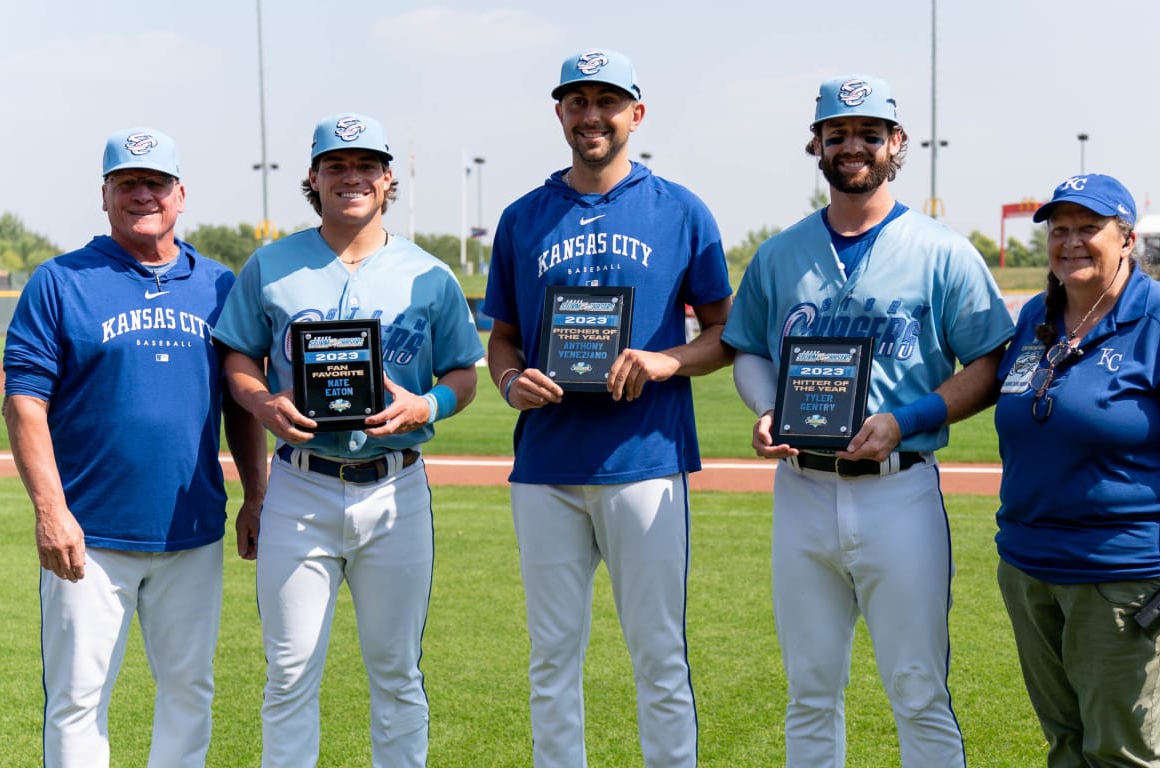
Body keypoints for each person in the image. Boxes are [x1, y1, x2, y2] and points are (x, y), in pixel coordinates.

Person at [721, 75, 1013, 767]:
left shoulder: (942, 250)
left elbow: (990, 363)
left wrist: (907, 417)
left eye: (870, 135)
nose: (854, 146)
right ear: (815, 144)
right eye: (838, 134)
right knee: (810, 691)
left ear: (897, 145)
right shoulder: (780, 252)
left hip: (898, 487)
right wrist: (765, 407)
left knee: (916, 688)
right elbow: (750, 351)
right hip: (802, 489)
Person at [482, 48, 734, 768]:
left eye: (608, 102)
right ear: (559, 112)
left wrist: (667, 360)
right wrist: (509, 383)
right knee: (551, 658)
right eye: (578, 101)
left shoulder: (680, 209)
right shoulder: (522, 216)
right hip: (547, 466)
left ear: (636, 114)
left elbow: (725, 332)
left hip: (644, 459)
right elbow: (502, 340)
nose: (593, 116)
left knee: (658, 654)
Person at [212, 114, 485, 768]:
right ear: (314, 177)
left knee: (396, 673)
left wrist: (430, 402)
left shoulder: (428, 273)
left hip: (397, 486)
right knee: (288, 674)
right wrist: (260, 400)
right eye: (336, 165)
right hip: (299, 487)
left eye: (366, 165)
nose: (351, 177)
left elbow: (463, 375)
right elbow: (238, 360)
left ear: (388, 178)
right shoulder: (272, 264)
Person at [3, 127, 267, 768]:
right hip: (89, 535)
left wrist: (256, 494)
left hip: (194, 530)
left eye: (155, 183)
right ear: (105, 196)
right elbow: (23, 402)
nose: (142, 194)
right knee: (78, 698)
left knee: (189, 691)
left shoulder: (219, 285)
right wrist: (49, 509)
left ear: (180, 195)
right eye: (128, 183)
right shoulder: (61, 280)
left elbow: (241, 401)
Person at [993, 174, 1160, 767]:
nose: (1071, 242)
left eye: (1089, 228)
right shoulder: (1037, 314)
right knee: (1067, 743)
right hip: (1031, 569)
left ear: (1127, 239)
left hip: (1125, 578)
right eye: (1060, 230)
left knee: (1121, 753)